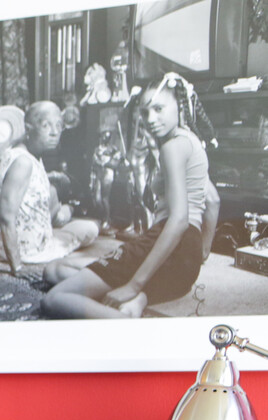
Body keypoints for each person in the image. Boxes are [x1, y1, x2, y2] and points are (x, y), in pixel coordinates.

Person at [43, 75, 220, 319]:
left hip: (169, 243)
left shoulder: (172, 148)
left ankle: (126, 320)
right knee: (54, 270)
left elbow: (178, 219)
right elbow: (213, 200)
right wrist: (201, 252)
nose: (151, 120)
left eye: (158, 109)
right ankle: (133, 299)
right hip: (184, 265)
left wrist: (133, 285)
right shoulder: (192, 142)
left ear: (180, 105)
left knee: (54, 299)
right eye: (145, 112)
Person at [0, 100, 99, 275]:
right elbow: (5, 217)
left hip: (4, 244)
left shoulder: (18, 151)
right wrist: (17, 267)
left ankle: (64, 213)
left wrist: (48, 179)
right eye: (46, 125)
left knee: (54, 192)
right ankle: (66, 213)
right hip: (30, 250)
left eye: (58, 125)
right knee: (90, 228)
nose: (54, 132)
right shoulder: (23, 162)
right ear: (29, 127)